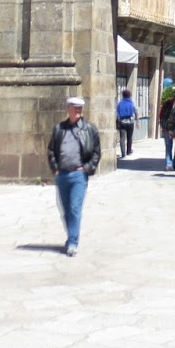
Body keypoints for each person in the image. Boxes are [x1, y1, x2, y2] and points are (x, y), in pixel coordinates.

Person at [46, 96, 100, 256]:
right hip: (62, 174)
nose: (78, 111)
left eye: (80, 109)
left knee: (75, 208)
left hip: (78, 174)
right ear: (67, 109)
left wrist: (87, 168)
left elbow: (96, 152)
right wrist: (55, 168)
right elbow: (51, 150)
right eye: (74, 108)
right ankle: (71, 236)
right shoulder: (59, 129)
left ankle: (72, 243)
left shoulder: (89, 129)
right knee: (65, 210)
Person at [160, 82, 175, 170]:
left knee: (168, 146)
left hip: (167, 127)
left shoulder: (167, 103)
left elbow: (161, 115)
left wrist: (162, 126)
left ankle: (169, 164)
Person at [116, 88, 137, 158]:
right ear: (129, 95)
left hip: (122, 122)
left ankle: (123, 153)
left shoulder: (120, 103)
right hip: (130, 122)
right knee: (129, 137)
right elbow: (136, 111)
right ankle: (129, 151)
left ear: (123, 95)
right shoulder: (131, 103)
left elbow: (116, 113)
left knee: (122, 138)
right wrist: (137, 121)